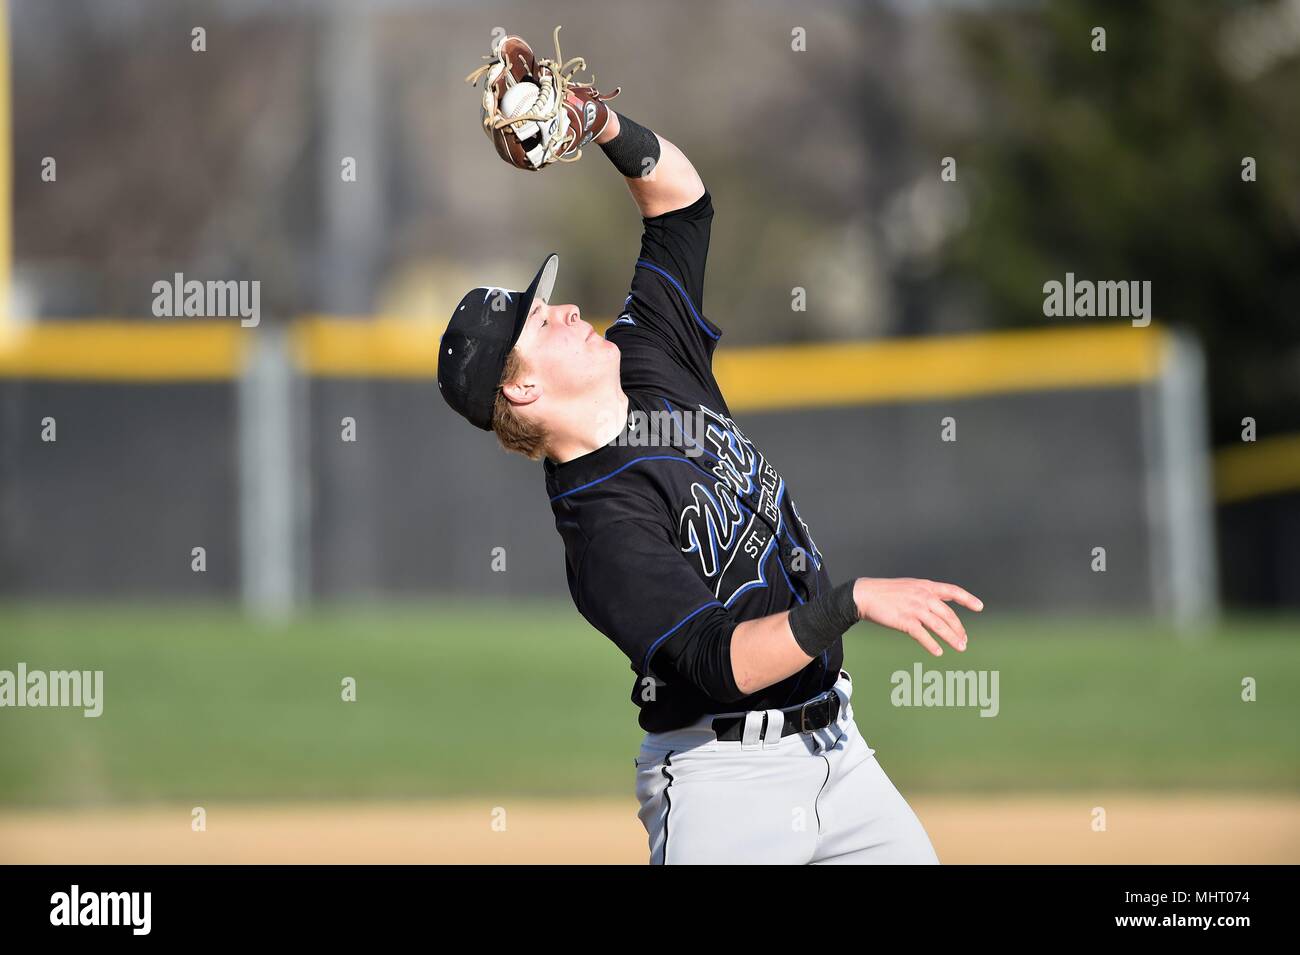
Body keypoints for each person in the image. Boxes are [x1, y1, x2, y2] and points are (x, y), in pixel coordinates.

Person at [438, 105, 983, 864]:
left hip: (840, 749)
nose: (564, 308)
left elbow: (682, 203)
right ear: (522, 391)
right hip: (729, 784)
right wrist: (849, 600)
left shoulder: (654, 355)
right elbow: (722, 663)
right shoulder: (603, 530)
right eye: (539, 324)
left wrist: (591, 119)